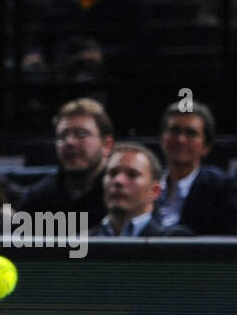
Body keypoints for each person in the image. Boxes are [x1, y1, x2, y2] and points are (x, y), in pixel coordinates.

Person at [18, 97, 113, 221]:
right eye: (62, 136)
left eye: (81, 134)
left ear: (106, 145)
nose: (69, 142)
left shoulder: (120, 195)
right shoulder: (37, 200)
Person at [154, 101, 237, 236]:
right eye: (174, 130)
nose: (181, 139)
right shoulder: (144, 182)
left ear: (206, 147)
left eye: (191, 133)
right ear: (162, 138)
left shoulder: (222, 189)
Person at [99, 143, 192, 236]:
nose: (118, 181)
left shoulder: (173, 240)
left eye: (132, 174)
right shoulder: (85, 237)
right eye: (113, 173)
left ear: (154, 190)